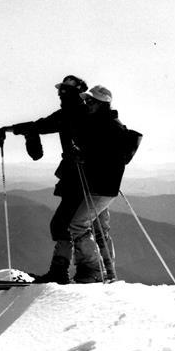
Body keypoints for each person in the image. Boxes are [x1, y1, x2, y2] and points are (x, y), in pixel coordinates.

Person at [0, 77, 125, 283]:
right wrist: (8, 129)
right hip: (97, 183)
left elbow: (40, 126)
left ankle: (68, 271)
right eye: (61, 91)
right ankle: (105, 273)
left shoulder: (75, 115)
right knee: (98, 228)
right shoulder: (91, 115)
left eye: (65, 91)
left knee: (66, 224)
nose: (61, 94)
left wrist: (8, 130)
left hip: (80, 180)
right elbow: (40, 125)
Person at [63, 85, 129, 283]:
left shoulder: (108, 126)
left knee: (78, 225)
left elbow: (105, 155)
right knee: (101, 229)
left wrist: (81, 154)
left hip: (101, 187)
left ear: (102, 104)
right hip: (105, 185)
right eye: (87, 100)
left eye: (91, 101)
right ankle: (108, 272)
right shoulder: (110, 124)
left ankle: (92, 271)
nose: (87, 104)